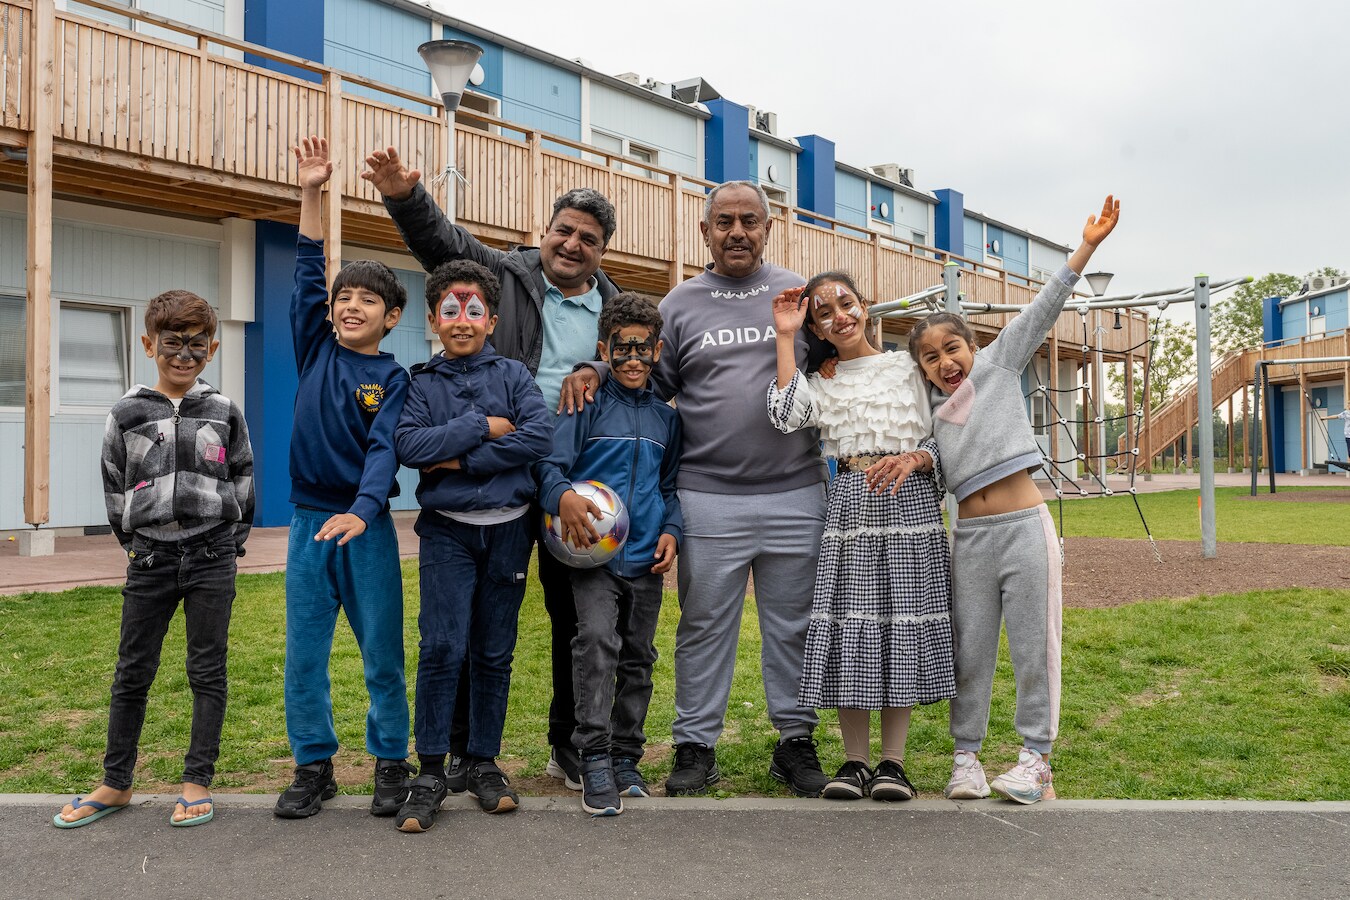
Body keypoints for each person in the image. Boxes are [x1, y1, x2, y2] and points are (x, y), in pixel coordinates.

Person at [561, 181, 831, 797]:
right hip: (708, 494)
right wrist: (595, 368)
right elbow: (645, 374)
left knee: (794, 625)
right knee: (705, 625)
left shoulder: (795, 293)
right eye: (725, 222)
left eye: (750, 221)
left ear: (769, 228)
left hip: (796, 491)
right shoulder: (681, 303)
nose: (738, 231)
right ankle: (694, 746)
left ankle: (795, 742)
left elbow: (834, 360)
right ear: (704, 231)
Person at [362, 146, 620, 790]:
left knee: (572, 620)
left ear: (601, 251)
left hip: (572, 477)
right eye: (564, 230)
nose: (572, 244)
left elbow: (651, 361)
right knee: (457, 631)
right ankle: (455, 754)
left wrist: (602, 367)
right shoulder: (506, 275)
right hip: (505, 476)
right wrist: (402, 196)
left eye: (588, 238)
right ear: (544, 233)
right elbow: (438, 241)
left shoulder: (614, 305)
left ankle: (568, 745)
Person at [908, 195, 1120, 805]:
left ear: (971, 349)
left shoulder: (998, 368)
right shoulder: (930, 417)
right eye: (931, 356)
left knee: (1034, 648)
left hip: (1026, 529)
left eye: (953, 349)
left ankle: (1036, 759)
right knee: (969, 652)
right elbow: (927, 461)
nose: (946, 362)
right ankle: (966, 758)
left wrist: (1087, 247)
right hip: (968, 541)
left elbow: (1045, 306)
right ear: (922, 368)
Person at [55, 289, 254, 828]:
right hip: (150, 559)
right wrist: (137, 545)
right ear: (150, 344)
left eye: (197, 345)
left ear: (211, 349)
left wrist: (229, 543)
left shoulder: (222, 410)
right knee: (132, 671)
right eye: (173, 344)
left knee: (206, 669)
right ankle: (115, 782)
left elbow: (242, 474)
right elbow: (114, 485)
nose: (184, 355)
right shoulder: (126, 412)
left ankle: (196, 781)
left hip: (212, 555)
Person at [767, 272, 954, 801]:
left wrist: (921, 457)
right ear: (818, 327)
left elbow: (949, 433)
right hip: (849, 507)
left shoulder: (909, 367)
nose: (838, 316)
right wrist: (786, 335)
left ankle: (893, 764)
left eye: (845, 303)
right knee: (855, 629)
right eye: (823, 313)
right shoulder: (820, 380)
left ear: (865, 306)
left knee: (902, 627)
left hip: (911, 504)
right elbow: (785, 417)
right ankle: (854, 764)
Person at [274, 137, 413, 821]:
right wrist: (311, 192)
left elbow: (385, 450)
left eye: (368, 300)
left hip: (368, 530)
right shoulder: (316, 349)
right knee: (304, 659)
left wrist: (363, 509)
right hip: (307, 527)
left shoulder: (392, 378)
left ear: (392, 317)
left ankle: (392, 759)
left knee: (382, 655)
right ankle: (313, 765)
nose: (351, 305)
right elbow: (306, 271)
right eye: (344, 297)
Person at [392, 258, 554, 833]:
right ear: (434, 319)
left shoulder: (513, 375)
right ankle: (432, 769)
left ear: (492, 318)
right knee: (442, 646)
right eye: (450, 310)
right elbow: (410, 444)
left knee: (492, 651)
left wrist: (458, 458)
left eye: (474, 310)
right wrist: (485, 427)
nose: (462, 320)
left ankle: (484, 761)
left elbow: (538, 434)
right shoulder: (419, 383)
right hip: (446, 533)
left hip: (510, 530)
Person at [534, 292, 682, 816]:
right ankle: (593, 755)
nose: (634, 359)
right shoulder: (585, 403)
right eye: (623, 349)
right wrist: (564, 498)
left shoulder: (669, 420)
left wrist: (673, 532)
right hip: (592, 561)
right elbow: (549, 467)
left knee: (638, 658)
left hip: (645, 560)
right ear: (605, 350)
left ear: (658, 351)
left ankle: (626, 757)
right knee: (596, 643)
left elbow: (669, 490)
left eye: (644, 349)